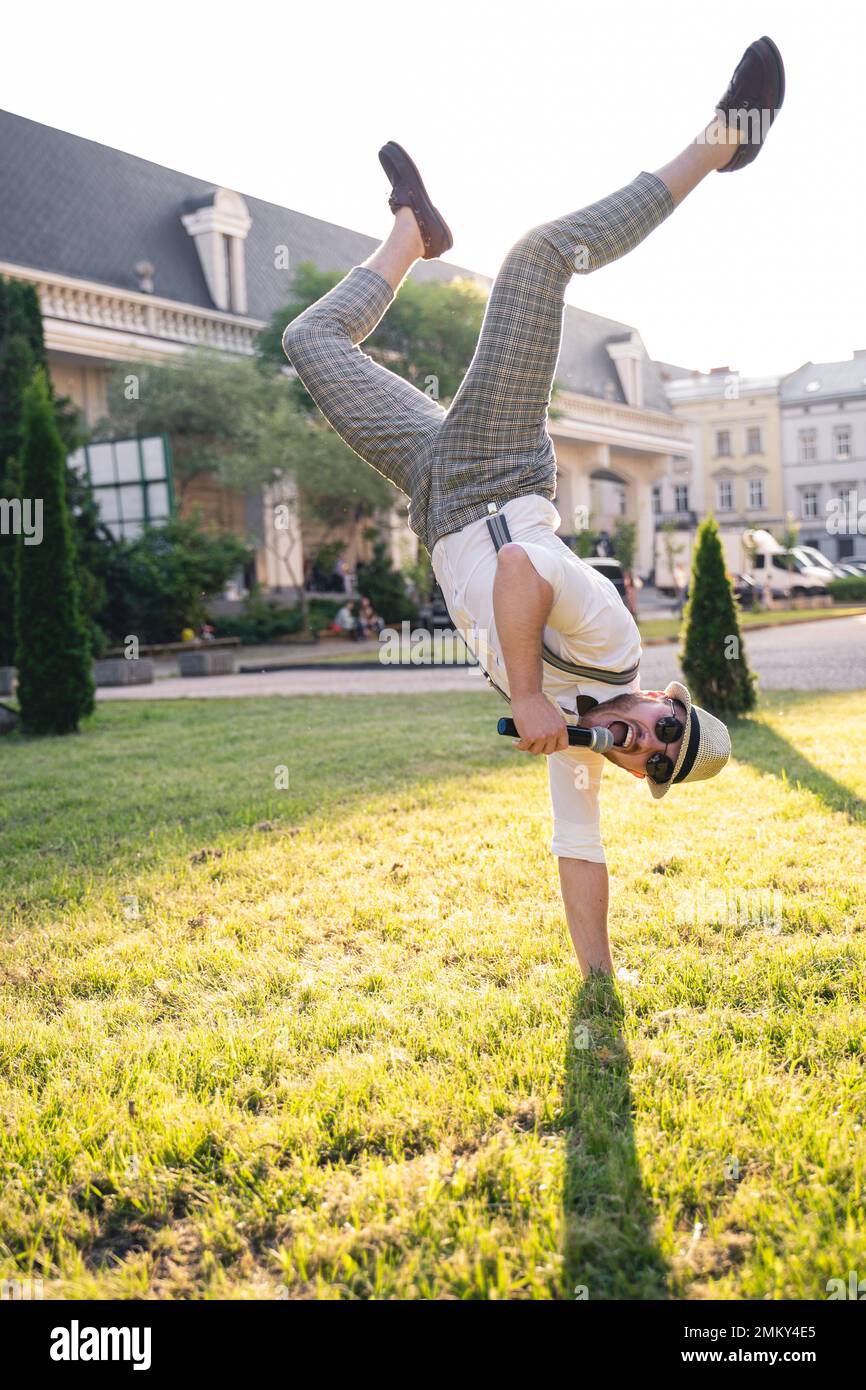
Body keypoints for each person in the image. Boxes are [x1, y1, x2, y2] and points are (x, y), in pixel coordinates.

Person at [282, 38, 784, 975]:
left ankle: (413, 233)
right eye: (667, 728)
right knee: (539, 257)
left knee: (310, 339)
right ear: (669, 699)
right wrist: (524, 691)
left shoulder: (583, 746)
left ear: (641, 775)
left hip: (431, 494)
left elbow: (580, 849)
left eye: (654, 759)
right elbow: (519, 565)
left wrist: (600, 979)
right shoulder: (611, 643)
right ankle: (724, 141)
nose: (648, 740)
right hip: (497, 471)